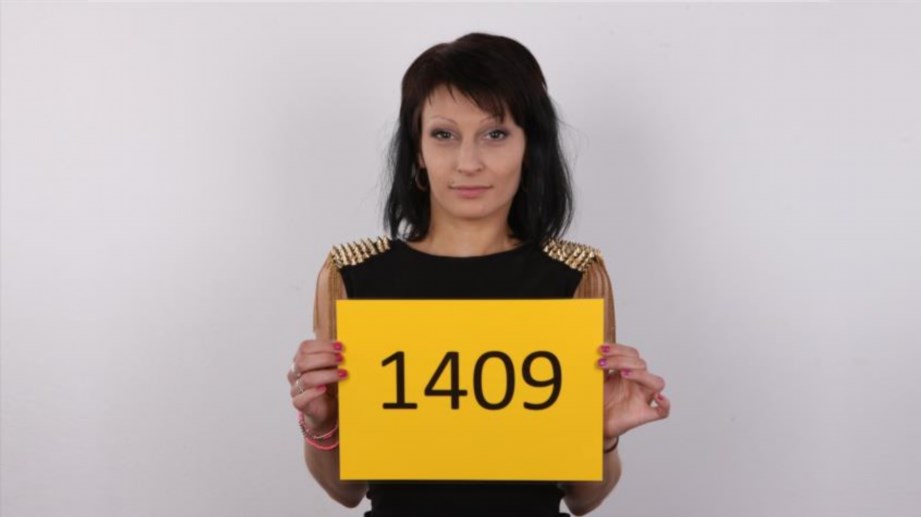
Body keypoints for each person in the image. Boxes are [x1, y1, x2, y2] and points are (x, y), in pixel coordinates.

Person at [286, 32, 670, 516]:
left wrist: (601, 435)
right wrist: (322, 423)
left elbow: (582, 498)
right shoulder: (355, 275)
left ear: (530, 146)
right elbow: (347, 491)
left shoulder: (574, 276)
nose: (468, 163)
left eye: (495, 134)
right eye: (444, 135)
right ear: (417, 149)